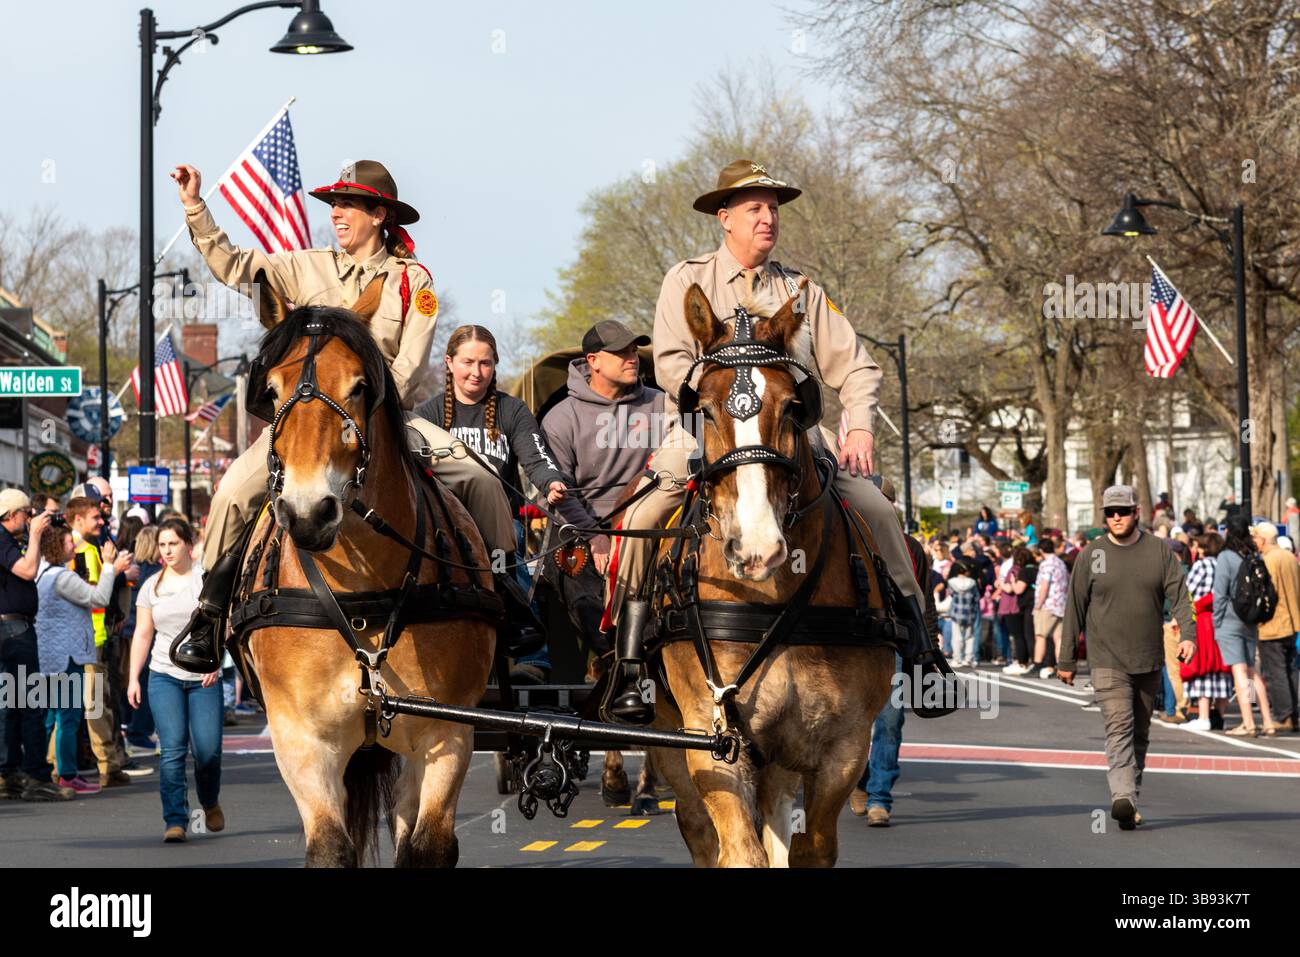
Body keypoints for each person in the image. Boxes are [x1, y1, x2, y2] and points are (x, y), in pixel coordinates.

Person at [603, 159, 938, 723]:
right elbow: (669, 364)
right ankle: (630, 664)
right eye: (755, 208)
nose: (768, 218)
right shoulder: (685, 280)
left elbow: (858, 368)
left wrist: (858, 424)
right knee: (643, 516)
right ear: (724, 218)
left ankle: (922, 647)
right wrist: (724, 401)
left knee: (879, 509)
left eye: (774, 209)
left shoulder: (801, 290)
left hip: (793, 435)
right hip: (704, 431)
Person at [168, 159, 527, 674]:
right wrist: (195, 207)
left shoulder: (413, 280)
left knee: (480, 479)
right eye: (333, 204)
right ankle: (209, 612)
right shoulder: (306, 265)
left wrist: (370, 415)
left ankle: (509, 596)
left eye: (349, 204)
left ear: (379, 214)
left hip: (384, 416)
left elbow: (410, 362)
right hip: (304, 423)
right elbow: (236, 265)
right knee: (229, 492)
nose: (337, 213)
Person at [413, 325, 569, 682]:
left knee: (509, 551)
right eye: (467, 362)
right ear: (449, 363)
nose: (476, 371)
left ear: (494, 366)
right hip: (445, 524)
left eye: (485, 363)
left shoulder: (511, 410)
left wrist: (551, 481)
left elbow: (536, 456)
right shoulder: (428, 413)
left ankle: (532, 657)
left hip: (500, 523)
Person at [1059, 485, 1196, 830]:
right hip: (1107, 660)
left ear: (1137, 512)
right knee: (1119, 726)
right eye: (1110, 512)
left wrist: (1189, 636)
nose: (1116, 517)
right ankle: (1121, 795)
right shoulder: (1093, 554)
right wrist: (1066, 660)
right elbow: (1074, 606)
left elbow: (1180, 595)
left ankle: (1130, 798)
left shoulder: (1159, 551)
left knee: (1140, 732)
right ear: (1104, 516)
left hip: (1148, 658)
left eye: (1122, 511)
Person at [541, 319, 665, 656]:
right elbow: (559, 490)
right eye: (620, 352)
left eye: (633, 350)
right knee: (575, 570)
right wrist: (595, 536)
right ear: (593, 360)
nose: (632, 358)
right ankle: (614, 660)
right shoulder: (561, 418)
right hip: (582, 527)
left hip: (649, 525)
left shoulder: (663, 406)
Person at [127, 518, 223, 843]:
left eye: (173, 543)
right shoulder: (151, 586)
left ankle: (209, 801)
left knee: (208, 751)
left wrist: (215, 658)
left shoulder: (205, 580)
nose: (167, 550)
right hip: (163, 675)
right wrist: (133, 679)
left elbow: (226, 625)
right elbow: (142, 635)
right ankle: (175, 820)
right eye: (163, 544)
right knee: (172, 750)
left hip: (204, 678)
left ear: (188, 544)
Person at [849, 477, 936, 827]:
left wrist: (929, 649)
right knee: (851, 723)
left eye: (880, 502)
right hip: (852, 644)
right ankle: (861, 780)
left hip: (893, 642)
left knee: (890, 720)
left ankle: (880, 797)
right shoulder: (845, 541)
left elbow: (922, 600)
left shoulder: (911, 548)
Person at [35, 521, 130, 793]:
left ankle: (44, 769)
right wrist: (111, 566)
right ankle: (67, 773)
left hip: (51, 655)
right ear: (56, 547)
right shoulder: (63, 577)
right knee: (68, 717)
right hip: (67, 656)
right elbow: (98, 598)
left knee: (51, 717)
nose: (73, 547)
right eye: (68, 543)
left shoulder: (43, 574)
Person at [0, 490, 70, 802]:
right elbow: (28, 570)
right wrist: (36, 536)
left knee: (12, 705)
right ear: (11, 514)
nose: (30, 518)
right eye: (26, 513)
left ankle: (11, 772)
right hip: (13, 631)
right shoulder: (3, 540)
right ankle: (34, 775)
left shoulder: (7, 540)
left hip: (14, 629)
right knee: (28, 704)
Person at [65, 496, 131, 786]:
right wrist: (112, 569)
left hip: (75, 638)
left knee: (67, 705)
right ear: (78, 519)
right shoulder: (88, 551)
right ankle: (108, 765)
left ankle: (59, 764)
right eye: (96, 517)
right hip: (89, 639)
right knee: (95, 705)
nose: (102, 522)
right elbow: (94, 595)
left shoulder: (63, 547)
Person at [1213, 516, 1276, 736]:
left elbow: (1219, 594)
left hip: (1230, 619)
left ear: (1228, 533)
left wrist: (1216, 621)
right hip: (1250, 618)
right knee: (1252, 672)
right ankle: (1267, 721)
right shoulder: (1251, 555)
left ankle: (1248, 722)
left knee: (1239, 671)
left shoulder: (1225, 557)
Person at [1182, 532, 1232, 731]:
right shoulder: (1223, 564)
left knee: (1202, 665)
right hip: (1222, 619)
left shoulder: (1201, 566)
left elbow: (1188, 592)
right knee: (1220, 667)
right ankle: (1219, 715)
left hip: (1202, 620)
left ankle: (1203, 716)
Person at [1252, 523, 1297, 732]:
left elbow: (1267, 594)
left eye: (1255, 538)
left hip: (1273, 623)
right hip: (1293, 619)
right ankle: (1293, 714)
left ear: (1262, 539)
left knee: (1275, 671)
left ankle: (1283, 715)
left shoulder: (1268, 560)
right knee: (1290, 670)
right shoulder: (1289, 557)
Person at [123, 526, 162, 752]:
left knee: (131, 682)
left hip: (127, 632)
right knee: (145, 683)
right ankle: (140, 730)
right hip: (145, 635)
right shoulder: (156, 575)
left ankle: (132, 727)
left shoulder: (132, 571)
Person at [1030, 537, 1069, 678]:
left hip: (1048, 604)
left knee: (1040, 635)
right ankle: (1060, 667)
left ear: (1041, 550)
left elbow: (1045, 585)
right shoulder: (1061, 563)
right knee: (1058, 637)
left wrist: (1038, 605)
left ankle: (1037, 664)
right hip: (1061, 604)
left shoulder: (1046, 565)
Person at [940, 559, 980, 667]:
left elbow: (952, 595)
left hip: (956, 613)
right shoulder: (972, 583)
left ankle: (957, 659)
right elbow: (976, 598)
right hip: (969, 613)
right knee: (969, 637)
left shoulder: (952, 582)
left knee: (956, 637)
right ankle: (968, 659)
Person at [997, 546, 1030, 674]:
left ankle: (1021, 661)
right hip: (1016, 607)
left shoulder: (1014, 570)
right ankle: (1021, 660)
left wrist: (1000, 583)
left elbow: (1010, 588)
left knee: (1017, 636)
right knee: (1020, 635)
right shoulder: (1023, 569)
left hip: (1011, 607)